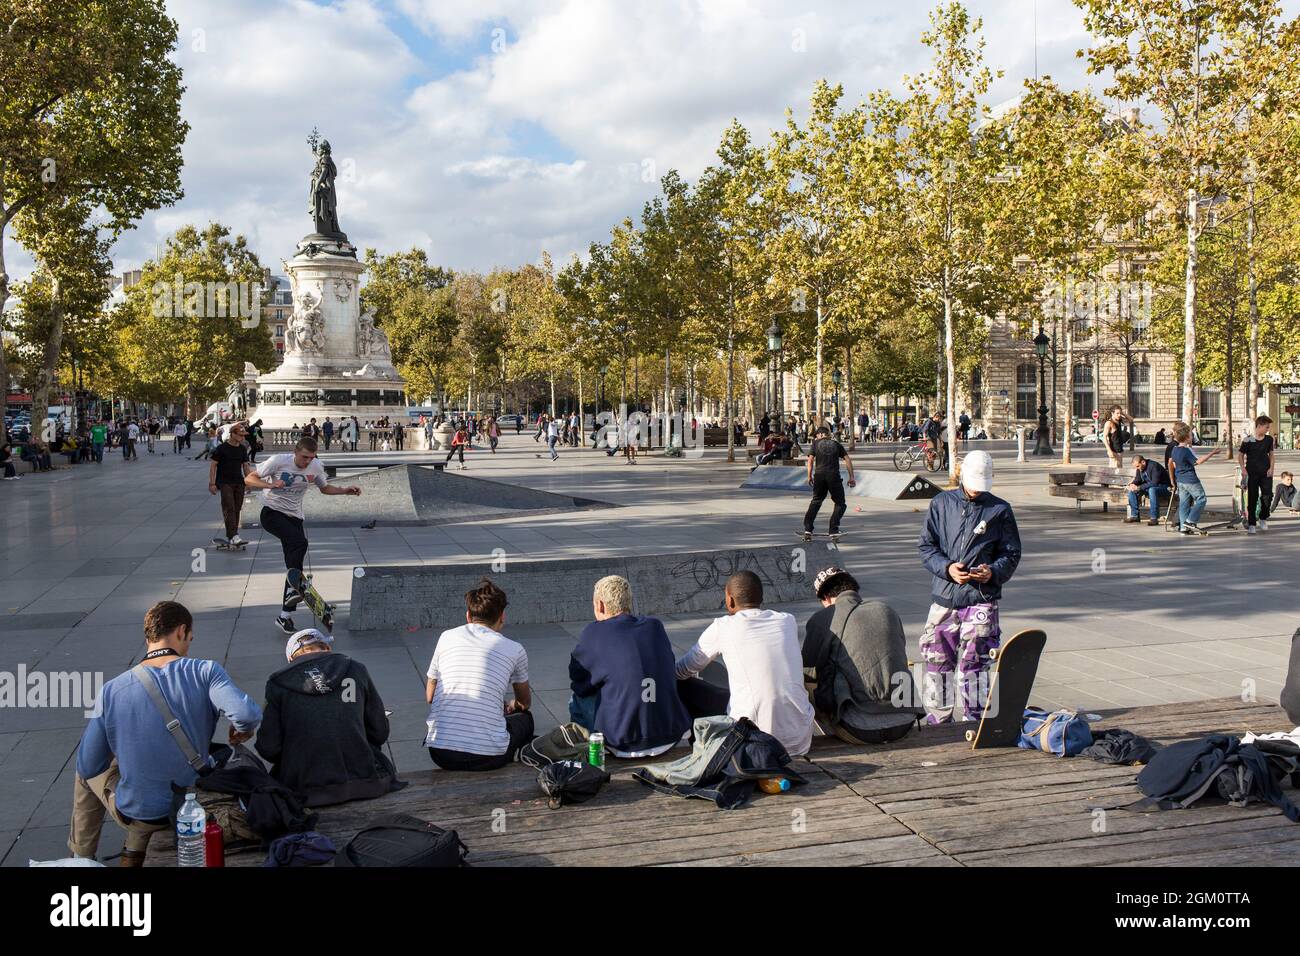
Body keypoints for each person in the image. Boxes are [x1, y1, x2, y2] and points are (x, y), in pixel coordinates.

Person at [68, 601, 261, 866]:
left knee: (83, 773)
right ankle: (129, 846)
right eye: (189, 639)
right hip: (192, 800)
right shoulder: (205, 671)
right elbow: (247, 714)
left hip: (140, 811)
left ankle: (81, 857)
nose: (188, 645)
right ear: (181, 631)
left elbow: (89, 765)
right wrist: (242, 730)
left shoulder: (111, 690)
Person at [917, 450, 1022, 724]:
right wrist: (947, 568)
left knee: (976, 665)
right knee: (937, 663)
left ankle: (976, 721)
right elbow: (927, 547)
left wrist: (993, 572)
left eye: (982, 485)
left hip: (981, 598)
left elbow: (1011, 553)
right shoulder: (941, 503)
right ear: (962, 476)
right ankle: (938, 721)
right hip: (945, 598)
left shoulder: (1000, 509)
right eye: (973, 484)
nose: (977, 491)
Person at [255, 627, 405, 807]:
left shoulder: (278, 683)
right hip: (366, 783)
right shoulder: (356, 669)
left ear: (291, 659)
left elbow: (268, 748)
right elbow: (379, 732)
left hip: (303, 791)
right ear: (327, 648)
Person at [674, 571, 815, 757]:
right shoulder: (787, 621)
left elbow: (683, 669)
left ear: (730, 600)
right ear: (761, 597)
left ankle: (697, 750)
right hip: (799, 740)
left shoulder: (723, 627)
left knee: (686, 686)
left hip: (754, 742)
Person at [244, 436, 361, 633]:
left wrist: (345, 491)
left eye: (311, 458)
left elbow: (324, 488)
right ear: (296, 452)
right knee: (300, 543)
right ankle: (292, 592)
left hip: (295, 517)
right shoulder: (279, 461)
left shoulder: (316, 466)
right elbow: (249, 478)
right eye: (304, 457)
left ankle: (285, 616)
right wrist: (270, 486)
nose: (307, 462)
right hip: (272, 513)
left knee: (294, 570)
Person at [569, 575, 691, 758]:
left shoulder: (594, 632)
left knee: (576, 700)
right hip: (670, 735)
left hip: (621, 742)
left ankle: (587, 750)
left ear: (600, 605)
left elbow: (578, 679)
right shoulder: (655, 626)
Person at [802, 566, 922, 744]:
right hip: (905, 722)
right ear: (854, 589)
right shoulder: (887, 610)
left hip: (859, 728)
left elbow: (808, 672)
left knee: (807, 681)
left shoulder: (824, 617)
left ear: (826, 598)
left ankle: (828, 731)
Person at [424, 578, 534, 771]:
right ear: (502, 617)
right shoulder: (515, 649)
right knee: (525, 718)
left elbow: (430, 696)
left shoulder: (446, 637)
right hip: (489, 757)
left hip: (440, 753)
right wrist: (510, 705)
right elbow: (524, 703)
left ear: (468, 616)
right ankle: (516, 752)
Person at [802, 424, 856, 539]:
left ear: (821, 434)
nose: (816, 438)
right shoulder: (837, 444)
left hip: (819, 475)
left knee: (816, 501)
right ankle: (833, 529)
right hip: (833, 476)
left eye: (816, 435)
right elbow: (847, 459)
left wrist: (809, 476)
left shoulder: (815, 444)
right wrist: (851, 477)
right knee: (840, 503)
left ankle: (808, 529)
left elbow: (810, 460)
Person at [1167, 421, 1221, 535]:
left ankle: (1183, 528)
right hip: (1190, 479)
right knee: (1201, 499)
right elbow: (1198, 461)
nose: (1192, 437)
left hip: (1180, 480)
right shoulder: (1186, 450)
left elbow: (1173, 464)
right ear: (1187, 437)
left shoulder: (1175, 449)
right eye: (1191, 435)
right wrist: (1212, 453)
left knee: (1184, 504)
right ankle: (1190, 521)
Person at [210, 422, 252, 548]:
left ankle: (233, 535)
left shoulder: (242, 449)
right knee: (229, 508)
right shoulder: (221, 449)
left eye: (243, 435)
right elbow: (213, 466)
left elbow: (245, 466)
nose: (242, 438)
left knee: (237, 508)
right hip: (224, 482)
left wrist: (249, 481)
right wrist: (212, 483)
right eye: (240, 435)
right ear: (232, 434)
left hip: (239, 482)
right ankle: (233, 536)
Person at [1237, 415, 1275, 535]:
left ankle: (1263, 517)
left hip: (1266, 473)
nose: (1268, 429)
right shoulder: (1249, 439)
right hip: (1252, 473)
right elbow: (1240, 455)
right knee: (1252, 499)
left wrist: (1271, 468)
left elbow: (1272, 455)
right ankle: (1252, 524)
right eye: (1266, 427)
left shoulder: (1269, 439)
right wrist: (1243, 469)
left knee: (1267, 496)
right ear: (1259, 426)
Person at [1124, 454, 1171, 525]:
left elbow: (1155, 483)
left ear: (1143, 462)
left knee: (1152, 490)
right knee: (1132, 492)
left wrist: (1139, 487)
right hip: (1150, 487)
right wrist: (1132, 484)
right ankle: (1135, 516)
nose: (1138, 468)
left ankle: (1154, 518)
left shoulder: (1154, 466)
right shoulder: (1140, 468)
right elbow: (1138, 479)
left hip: (1164, 487)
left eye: (1138, 466)